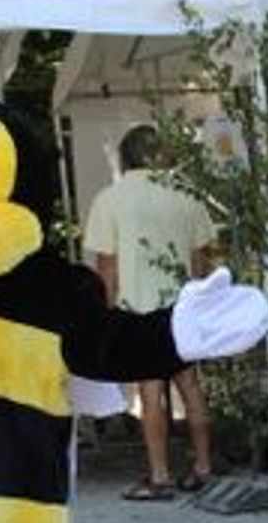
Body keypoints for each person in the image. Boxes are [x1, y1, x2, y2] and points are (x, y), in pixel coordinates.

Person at [82, 124, 221, 501]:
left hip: (137, 307)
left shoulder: (109, 199)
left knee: (150, 392)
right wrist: (193, 297)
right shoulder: (187, 195)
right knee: (191, 387)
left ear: (124, 159)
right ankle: (204, 467)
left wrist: (106, 315)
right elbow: (201, 258)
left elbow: (106, 267)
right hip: (182, 305)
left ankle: (160, 475)